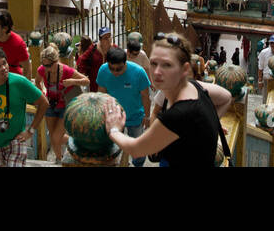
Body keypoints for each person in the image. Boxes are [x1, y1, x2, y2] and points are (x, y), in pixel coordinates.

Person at [106, 33, 230, 167]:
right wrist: (210, 122)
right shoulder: (196, 86)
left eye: (167, 65)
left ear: (185, 69)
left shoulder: (178, 115)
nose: (157, 72)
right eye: (154, 63)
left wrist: (114, 130)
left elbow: (136, 150)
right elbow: (226, 97)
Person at [0, 48, 48, 166]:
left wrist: (30, 131)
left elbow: (44, 103)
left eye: (4, 63)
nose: (4, 68)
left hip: (16, 140)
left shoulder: (20, 82)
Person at [97, 46, 153, 166]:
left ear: (125, 61)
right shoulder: (103, 70)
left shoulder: (139, 72)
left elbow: (145, 96)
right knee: (114, 147)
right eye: (112, 68)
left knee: (138, 147)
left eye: (119, 69)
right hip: (114, 117)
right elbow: (101, 94)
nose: (115, 72)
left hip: (135, 116)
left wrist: (147, 116)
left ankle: (138, 164)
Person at [37, 44, 88, 162]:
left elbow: (86, 81)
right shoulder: (42, 69)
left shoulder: (66, 70)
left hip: (65, 106)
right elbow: (37, 82)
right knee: (53, 137)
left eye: (49, 65)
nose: (46, 68)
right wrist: (43, 95)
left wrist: (72, 81)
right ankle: (59, 158)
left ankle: (62, 158)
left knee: (56, 137)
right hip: (50, 105)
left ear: (56, 61)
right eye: (44, 65)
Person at [0, 9, 30, 76]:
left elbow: (27, 68)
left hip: (11, 79)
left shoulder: (18, 44)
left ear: (5, 29)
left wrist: (23, 82)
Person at [78, 26, 112, 91]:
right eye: (105, 38)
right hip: (95, 85)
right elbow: (82, 60)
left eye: (109, 36)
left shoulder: (114, 49)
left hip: (109, 84)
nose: (108, 39)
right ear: (100, 40)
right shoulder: (93, 49)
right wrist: (83, 74)